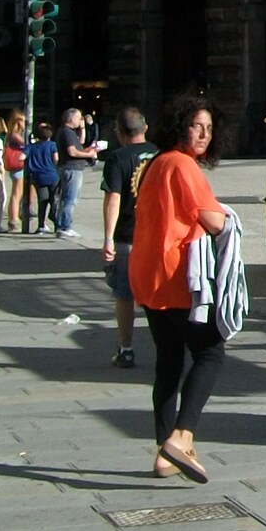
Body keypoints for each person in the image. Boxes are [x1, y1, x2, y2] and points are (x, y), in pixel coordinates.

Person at [130, 95, 230, 481]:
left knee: (169, 361)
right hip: (176, 276)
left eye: (209, 128)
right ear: (180, 127)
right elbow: (213, 221)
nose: (204, 135)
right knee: (210, 352)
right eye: (196, 126)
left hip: (147, 273)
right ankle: (182, 436)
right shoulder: (182, 164)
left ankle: (164, 454)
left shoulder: (156, 162)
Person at [99, 108, 157, 371]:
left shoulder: (117, 158)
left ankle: (126, 349)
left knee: (124, 294)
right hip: (158, 237)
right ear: (145, 128)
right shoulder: (160, 154)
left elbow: (113, 198)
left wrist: (107, 238)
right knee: (157, 295)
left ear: (119, 133)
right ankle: (168, 347)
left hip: (127, 236)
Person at [53, 107, 100, 238]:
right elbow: (72, 152)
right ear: (71, 118)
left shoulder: (67, 131)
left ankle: (61, 225)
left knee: (65, 198)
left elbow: (80, 142)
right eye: (79, 118)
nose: (80, 120)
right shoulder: (67, 132)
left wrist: (82, 128)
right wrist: (89, 154)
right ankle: (65, 226)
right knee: (70, 199)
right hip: (72, 168)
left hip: (68, 167)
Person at [24, 122, 60, 233]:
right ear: (49, 136)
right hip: (52, 175)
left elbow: (21, 157)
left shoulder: (31, 147)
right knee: (54, 200)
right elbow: (56, 159)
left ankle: (41, 225)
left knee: (42, 201)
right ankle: (56, 224)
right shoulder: (52, 145)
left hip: (38, 177)